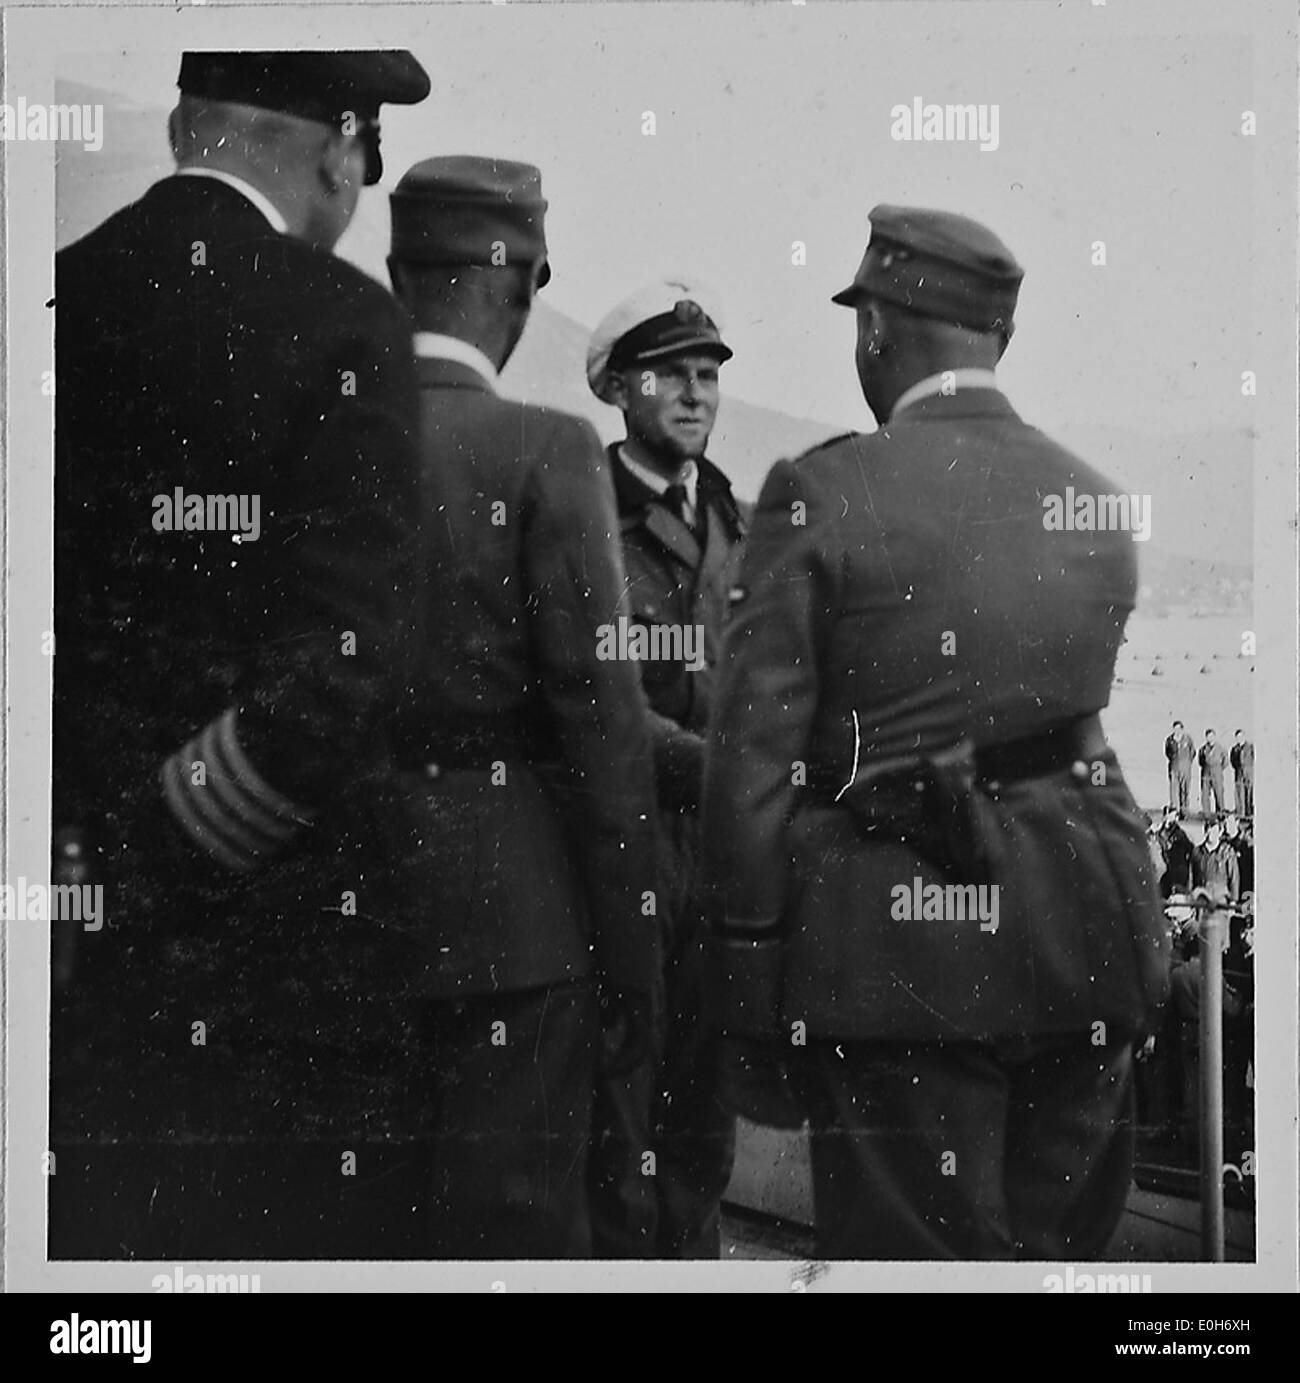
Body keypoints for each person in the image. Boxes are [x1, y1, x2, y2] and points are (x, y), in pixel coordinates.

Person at [701, 204, 1169, 1260]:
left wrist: (744, 974)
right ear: (996, 337)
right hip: (1085, 937)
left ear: (874, 326)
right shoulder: (1094, 502)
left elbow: (749, 769)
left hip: (896, 962)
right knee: (1058, 1263)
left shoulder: (821, 490)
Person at [50, 50, 432, 1258]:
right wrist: (156, 843)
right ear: (343, 150)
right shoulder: (344, 320)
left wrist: (72, 856)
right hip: (261, 940)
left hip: (61, 932)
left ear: (179, 126)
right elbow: (348, 666)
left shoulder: (56, 291)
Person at [380, 157, 663, 1257]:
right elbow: (604, 727)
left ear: (399, 271)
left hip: (326, 920)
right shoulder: (546, 449)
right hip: (514, 929)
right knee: (513, 1242)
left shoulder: (302, 430)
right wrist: (635, 955)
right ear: (528, 281)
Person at [583, 280, 745, 1257]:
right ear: (619, 390)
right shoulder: (580, 516)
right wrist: (742, 773)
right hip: (624, 866)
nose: (694, 394)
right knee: (620, 1131)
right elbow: (604, 713)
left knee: (704, 1130)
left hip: (720, 876)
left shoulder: (734, 518)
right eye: (671, 376)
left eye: (708, 376)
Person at [1192, 819, 1240, 905]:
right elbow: (1191, 876)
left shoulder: (1227, 852)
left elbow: (1234, 877)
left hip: (1220, 900)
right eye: (1209, 831)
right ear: (1205, 832)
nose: (1211, 834)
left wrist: (1233, 900)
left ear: (1220, 832)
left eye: (1214, 831)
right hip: (1201, 900)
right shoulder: (1197, 852)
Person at [1154, 808, 1194, 897]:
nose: (1175, 818)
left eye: (1175, 816)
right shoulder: (1159, 833)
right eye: (1172, 815)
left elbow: (1190, 850)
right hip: (1162, 873)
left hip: (1177, 872)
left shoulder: (1180, 834)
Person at [1164, 720, 1195, 815]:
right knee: (1174, 790)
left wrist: (1187, 762)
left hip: (1186, 768)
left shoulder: (1187, 739)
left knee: (1185, 789)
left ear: (1182, 729)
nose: (1176, 731)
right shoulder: (1170, 740)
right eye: (1175, 729)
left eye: (1178, 728)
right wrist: (1174, 760)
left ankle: (1184, 811)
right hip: (1174, 767)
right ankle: (1174, 811)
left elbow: (1192, 752)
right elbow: (1167, 752)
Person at [1199, 728, 1229, 817]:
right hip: (1206, 774)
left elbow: (1225, 761)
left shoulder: (1220, 748)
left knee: (1219, 794)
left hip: (1217, 774)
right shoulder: (1203, 749)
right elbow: (1200, 761)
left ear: (1215, 737)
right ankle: (1207, 814)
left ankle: (1220, 814)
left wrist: (1218, 769)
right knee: (1205, 795)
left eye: (1211, 736)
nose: (1210, 738)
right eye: (1208, 737)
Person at [1229, 729, 1254, 818]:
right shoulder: (1234, 749)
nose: (1239, 738)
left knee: (1249, 792)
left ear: (1244, 736)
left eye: (1240, 736)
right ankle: (1240, 814)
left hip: (1248, 772)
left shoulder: (1250, 747)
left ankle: (1249, 813)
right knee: (1239, 793)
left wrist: (1248, 768)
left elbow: (1254, 758)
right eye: (1237, 737)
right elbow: (1232, 761)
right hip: (1238, 773)